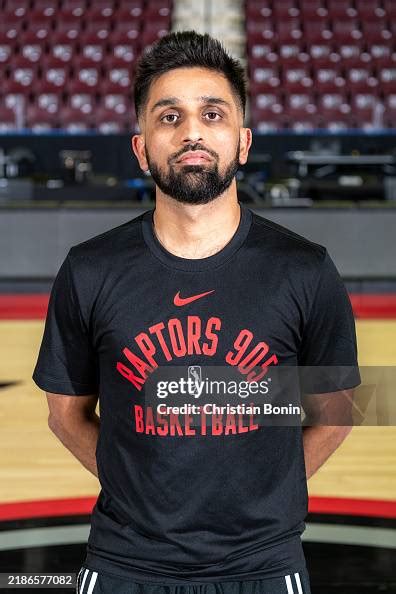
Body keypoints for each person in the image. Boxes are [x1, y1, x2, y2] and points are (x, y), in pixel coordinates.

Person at [32, 30, 361, 594]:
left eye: (212, 114)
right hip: (123, 563)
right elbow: (65, 414)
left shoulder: (305, 270)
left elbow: (337, 411)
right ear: (140, 147)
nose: (191, 133)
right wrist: (142, 499)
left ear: (243, 142)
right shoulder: (89, 269)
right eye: (168, 117)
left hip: (262, 566)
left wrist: (266, 497)